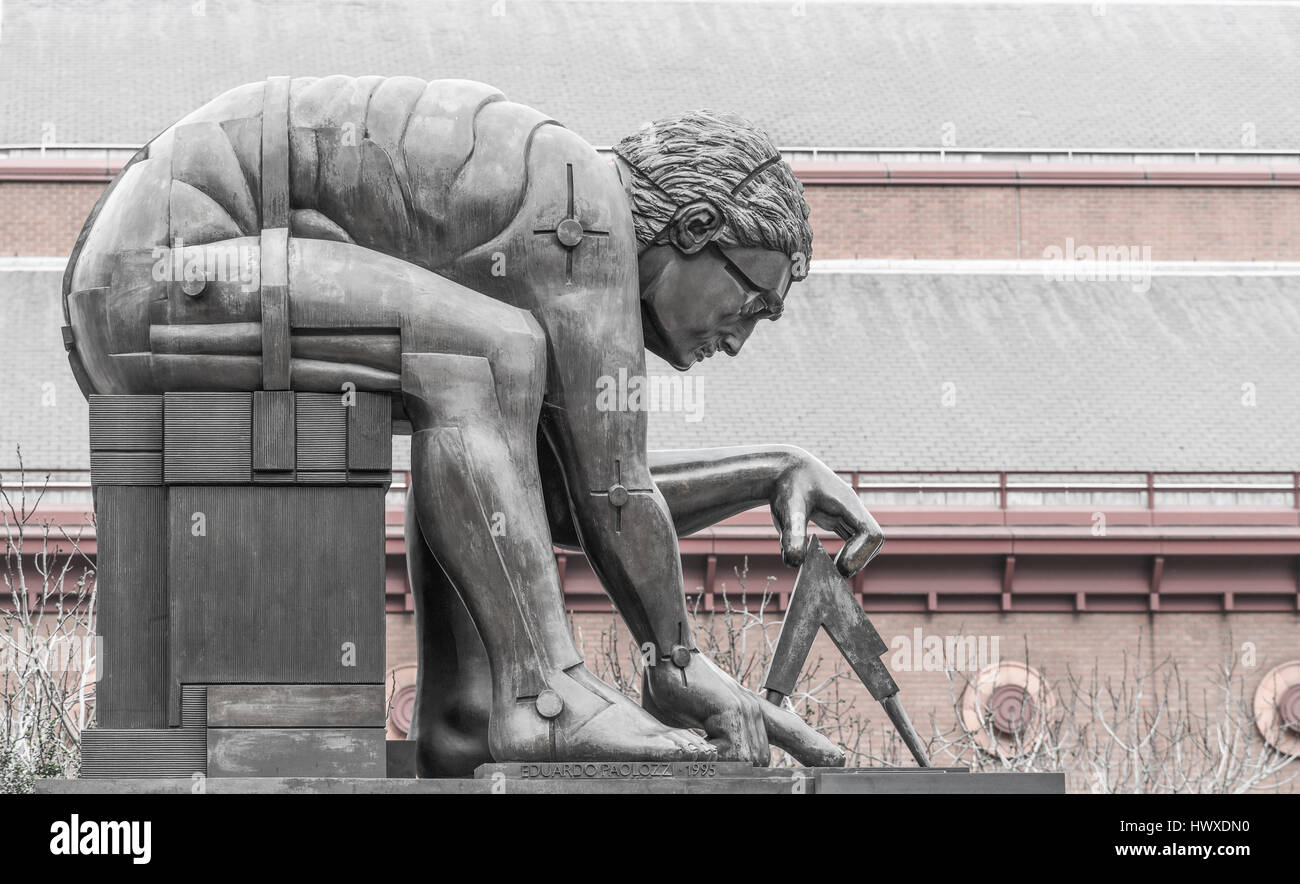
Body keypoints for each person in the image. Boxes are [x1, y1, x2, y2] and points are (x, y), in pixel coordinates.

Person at [63, 77, 884, 775]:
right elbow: (614, 495)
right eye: (747, 305)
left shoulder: (554, 211)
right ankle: (542, 698)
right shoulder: (584, 211)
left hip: (151, 282)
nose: (735, 341)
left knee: (477, 379)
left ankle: (466, 719)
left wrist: (769, 470)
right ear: (696, 229)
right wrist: (676, 662)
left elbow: (544, 507)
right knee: (486, 357)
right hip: (165, 272)